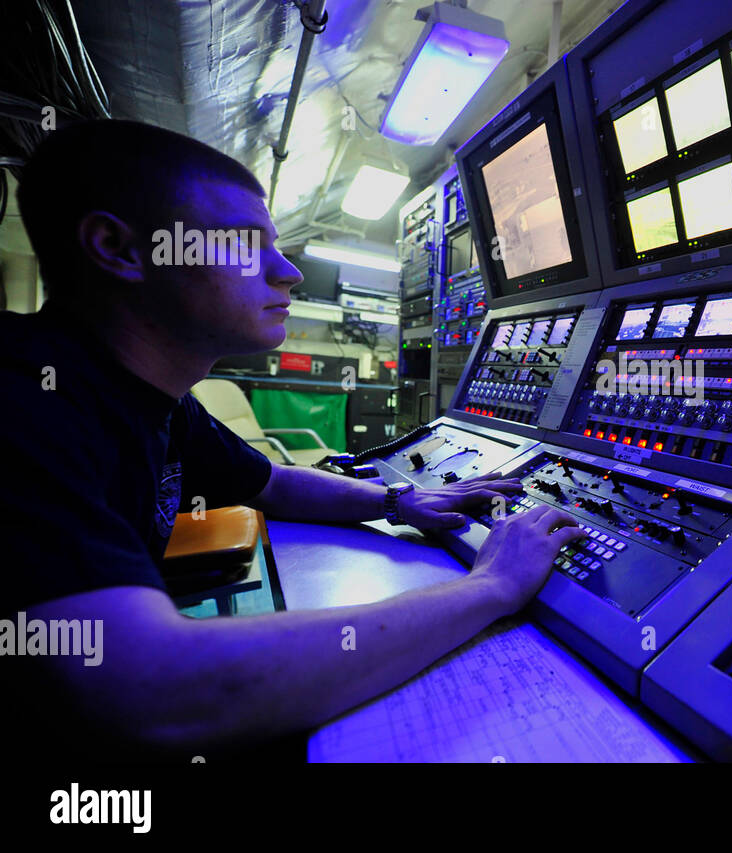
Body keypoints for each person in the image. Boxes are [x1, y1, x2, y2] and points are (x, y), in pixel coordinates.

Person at [0, 119, 586, 762]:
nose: (288, 273)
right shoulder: (24, 405)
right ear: (118, 248)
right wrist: (491, 588)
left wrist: (395, 502)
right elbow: (161, 691)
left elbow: (271, 482)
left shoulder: (150, 399)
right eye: (249, 243)